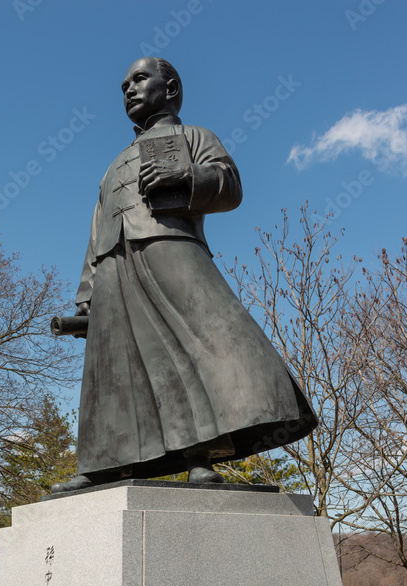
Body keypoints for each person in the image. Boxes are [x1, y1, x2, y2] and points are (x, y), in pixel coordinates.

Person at [51, 58, 316, 493]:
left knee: (197, 348)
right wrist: (87, 292)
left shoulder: (195, 136)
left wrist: (188, 174)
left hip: (170, 250)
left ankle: (201, 455)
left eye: (140, 79)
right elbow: (97, 226)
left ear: (170, 88)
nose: (129, 90)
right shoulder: (113, 164)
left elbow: (231, 186)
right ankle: (104, 463)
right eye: (123, 85)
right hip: (115, 264)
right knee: (115, 365)